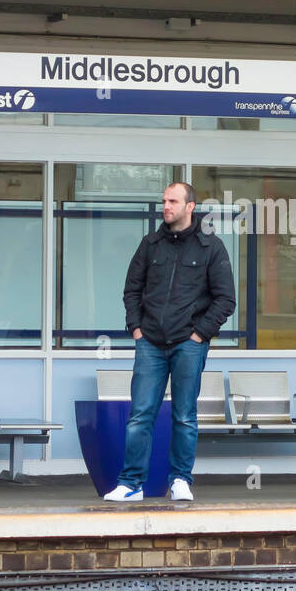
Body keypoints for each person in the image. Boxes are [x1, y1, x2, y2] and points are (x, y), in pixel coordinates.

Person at [103, 182, 236, 503]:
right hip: (150, 343)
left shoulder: (210, 248)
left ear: (190, 206)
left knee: (185, 415)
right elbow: (131, 291)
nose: (166, 206)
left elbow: (225, 299)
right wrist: (136, 329)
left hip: (189, 344)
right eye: (164, 200)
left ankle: (180, 480)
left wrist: (199, 334)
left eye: (173, 201)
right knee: (140, 414)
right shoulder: (150, 245)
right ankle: (131, 484)